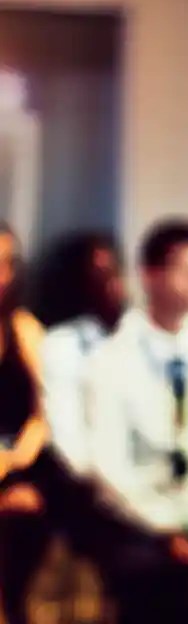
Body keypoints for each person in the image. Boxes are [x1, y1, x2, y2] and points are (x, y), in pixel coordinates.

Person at [82, 219, 188, 619]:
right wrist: (166, 529)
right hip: (143, 521)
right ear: (151, 274)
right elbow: (109, 468)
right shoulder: (110, 361)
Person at [38, 231, 128, 470]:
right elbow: (67, 437)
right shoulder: (62, 344)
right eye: (99, 276)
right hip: (91, 481)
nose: (112, 286)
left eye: (115, 272)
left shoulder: (134, 335)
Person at [0, 222, 52, 624]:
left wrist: (17, 456)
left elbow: (45, 412)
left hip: (17, 458)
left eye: (7, 264)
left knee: (30, 507)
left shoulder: (24, 328)